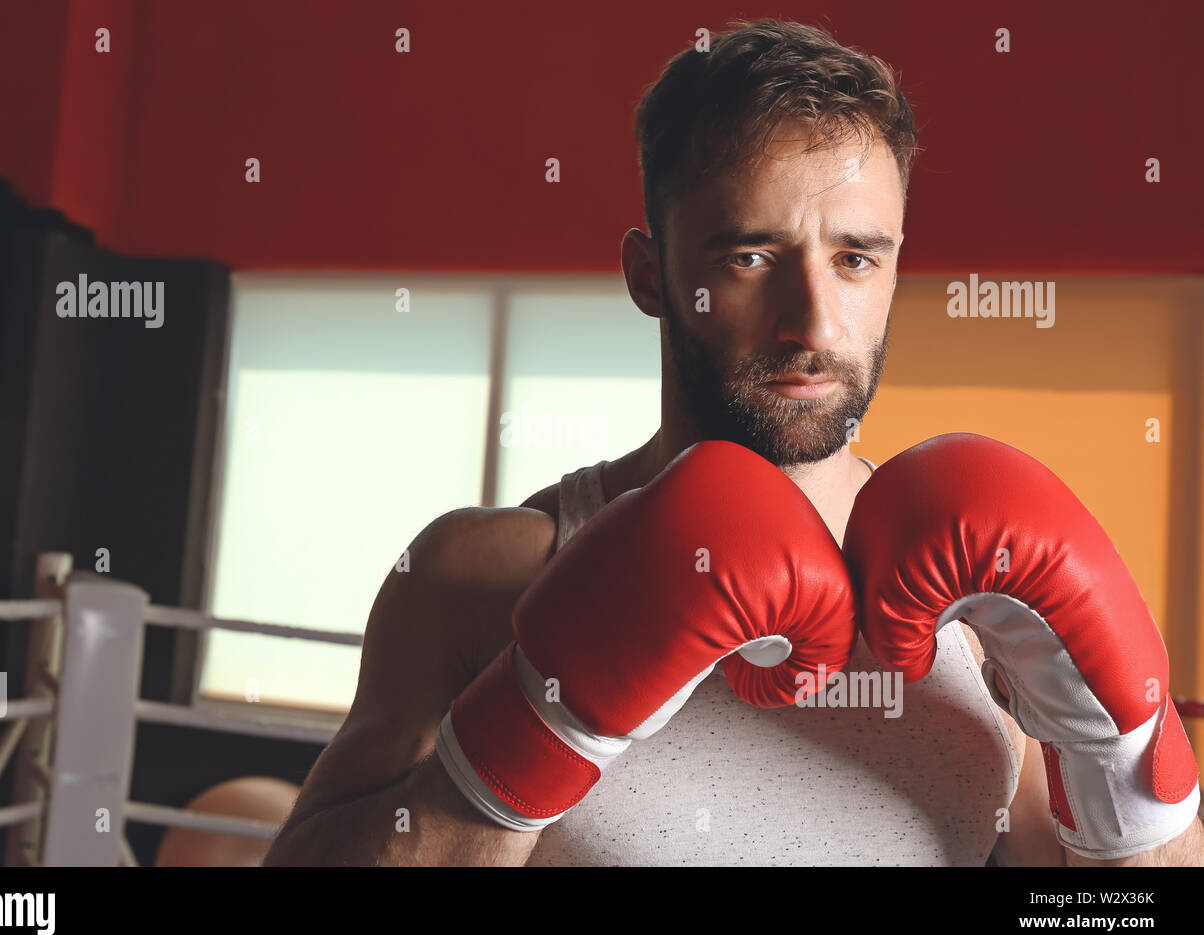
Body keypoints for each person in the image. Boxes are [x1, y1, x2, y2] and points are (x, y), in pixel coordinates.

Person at [264, 18, 1201, 866]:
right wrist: (528, 739)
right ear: (649, 275)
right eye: (749, 255)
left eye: (856, 258)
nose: (813, 320)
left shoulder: (988, 585)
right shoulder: (485, 570)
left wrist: (1127, 772)